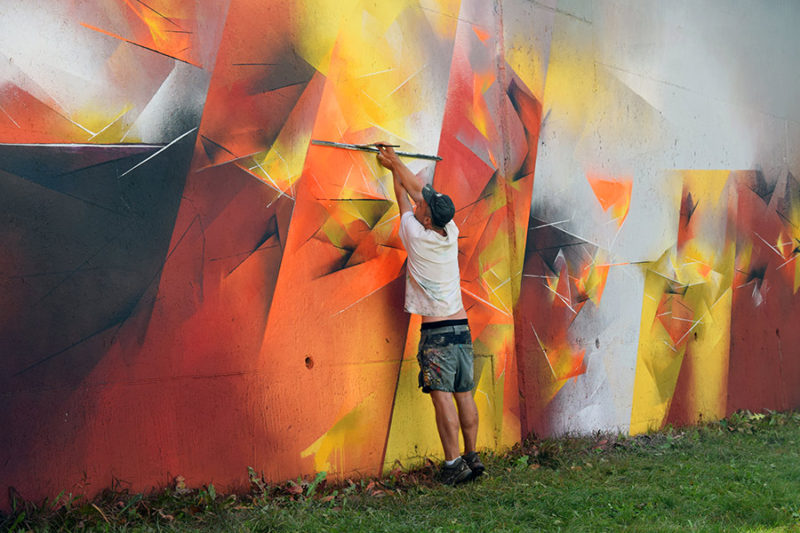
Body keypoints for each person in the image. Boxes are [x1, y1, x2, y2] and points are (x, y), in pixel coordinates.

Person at [376, 143, 485, 485]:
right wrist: (395, 162)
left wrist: (392, 168)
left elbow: (403, 196)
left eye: (423, 205)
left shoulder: (415, 235)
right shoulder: (449, 231)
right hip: (461, 328)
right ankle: (472, 455)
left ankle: (453, 466)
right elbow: (416, 193)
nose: (421, 202)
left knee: (443, 400)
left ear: (425, 218)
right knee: (464, 393)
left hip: (436, 334)